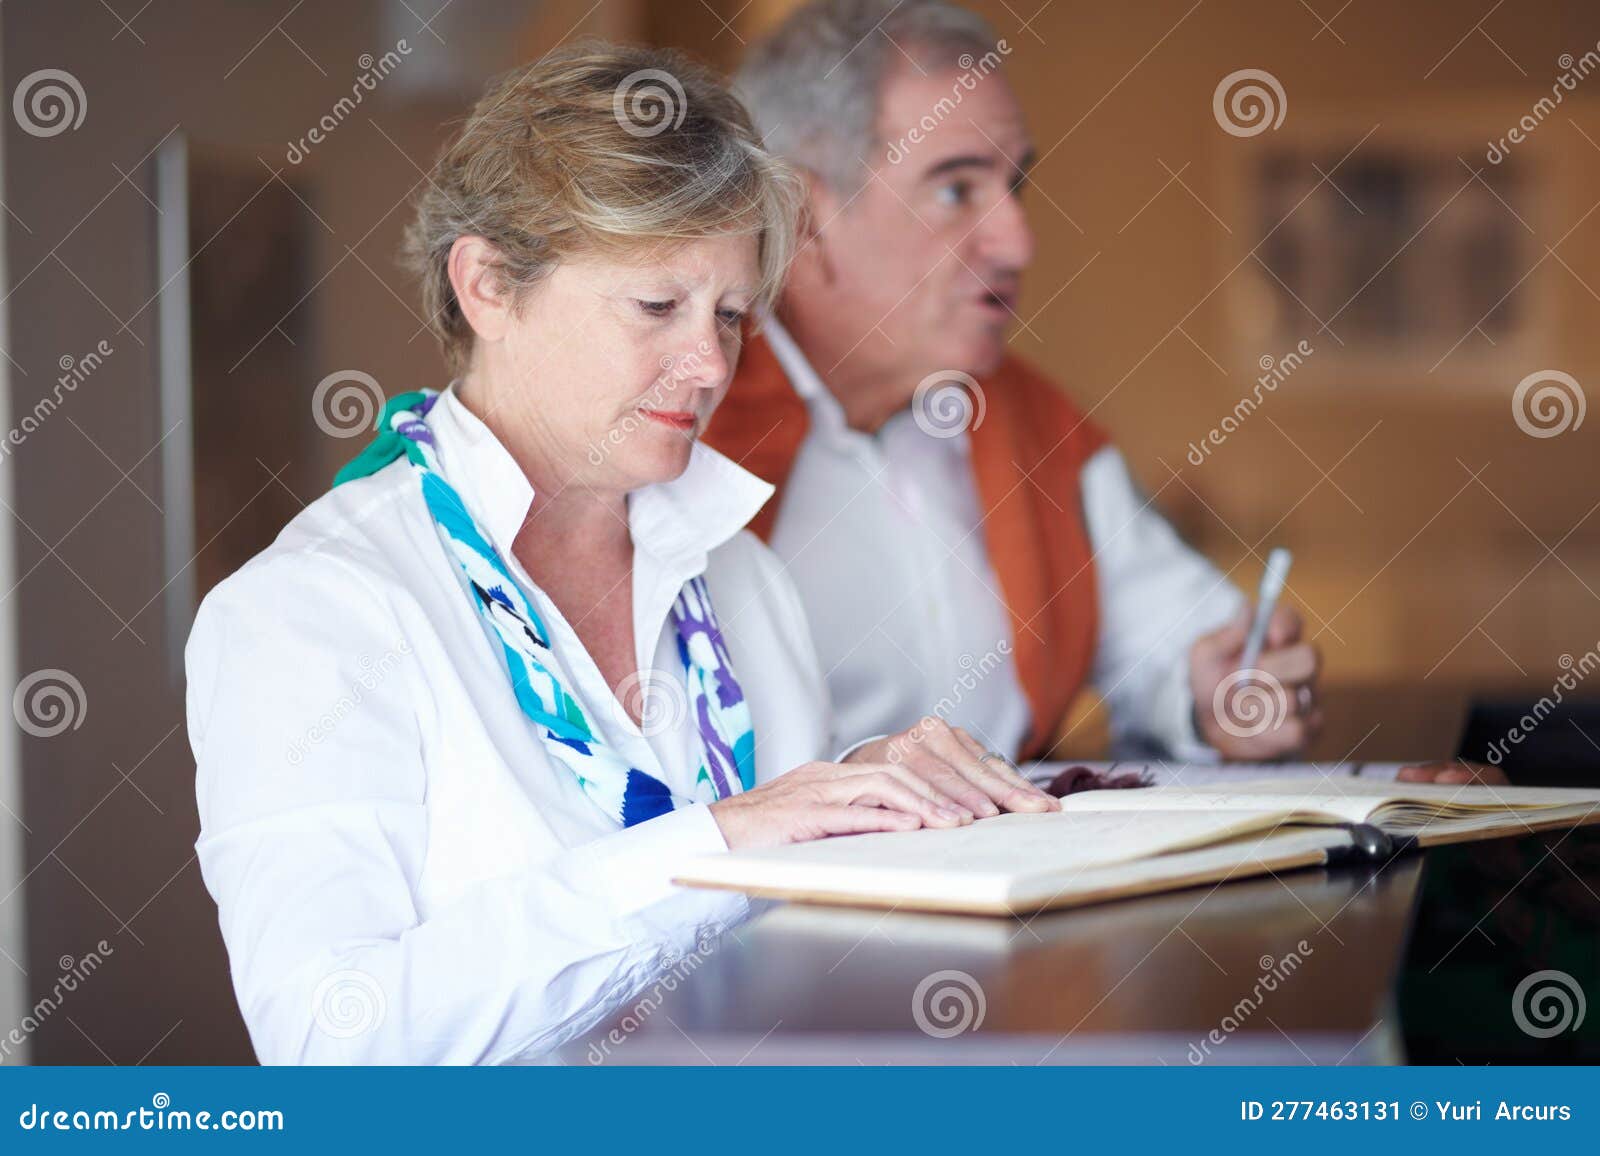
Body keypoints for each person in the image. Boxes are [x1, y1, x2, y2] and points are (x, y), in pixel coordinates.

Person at [184, 43, 1055, 1066]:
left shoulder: (742, 578)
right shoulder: (309, 610)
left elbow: (799, 952)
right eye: (657, 307)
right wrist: (715, 843)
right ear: (489, 285)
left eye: (731, 316)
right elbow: (331, 1038)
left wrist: (864, 810)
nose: (709, 366)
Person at [705, 0, 1318, 768]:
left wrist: (1221, 690)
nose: (1018, 241)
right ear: (799, 212)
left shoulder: (1035, 423)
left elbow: (1176, 640)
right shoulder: (683, 427)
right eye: (957, 189)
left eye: (1015, 187)